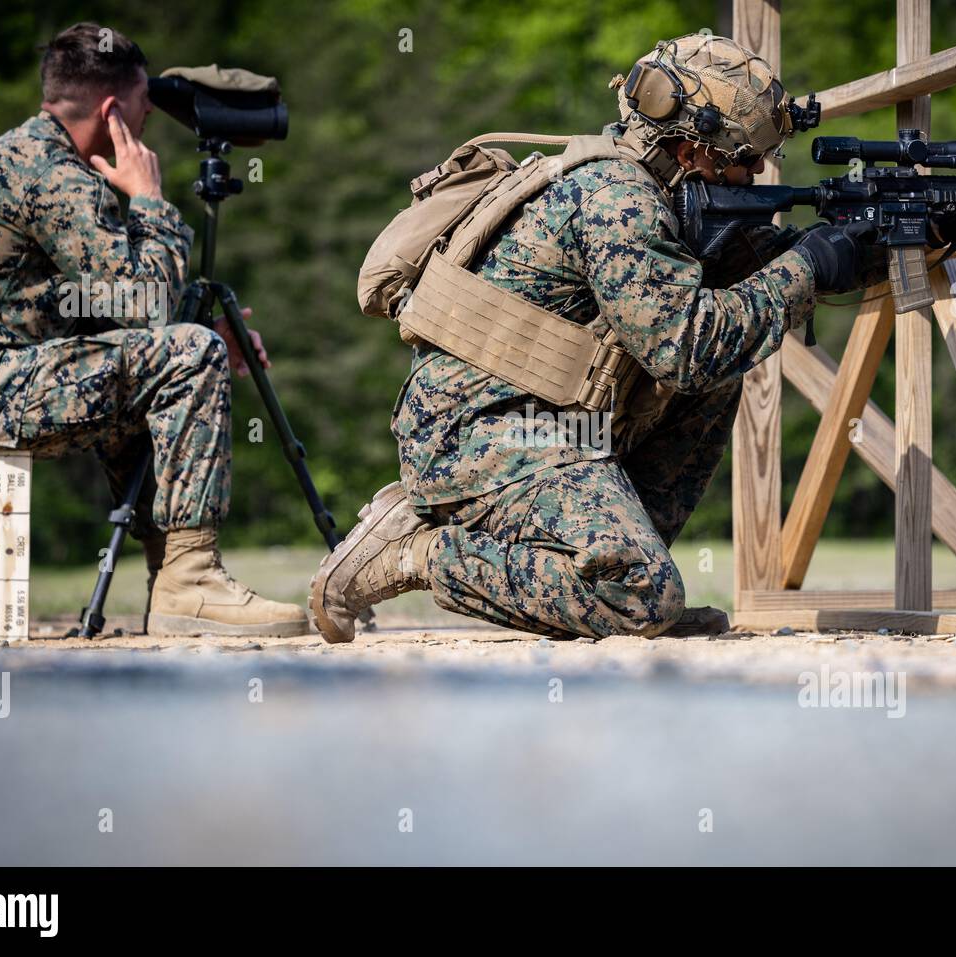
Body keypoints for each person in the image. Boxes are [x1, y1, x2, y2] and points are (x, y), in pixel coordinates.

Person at [310, 34, 874, 643]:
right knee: (645, 600)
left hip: (542, 425)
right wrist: (808, 268)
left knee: (716, 381)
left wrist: (876, 239)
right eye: (742, 156)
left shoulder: (640, 189)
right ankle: (420, 552)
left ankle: (610, 571)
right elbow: (686, 349)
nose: (757, 171)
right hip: (479, 435)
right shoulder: (617, 201)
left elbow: (706, 301)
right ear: (691, 148)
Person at [0, 22, 308, 636]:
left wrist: (172, 333)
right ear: (113, 109)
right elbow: (143, 302)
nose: (150, 118)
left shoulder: (21, 157)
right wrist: (150, 199)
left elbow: (88, 309)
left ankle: (169, 574)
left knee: (159, 363)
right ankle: (190, 580)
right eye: (146, 103)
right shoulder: (53, 173)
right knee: (188, 354)